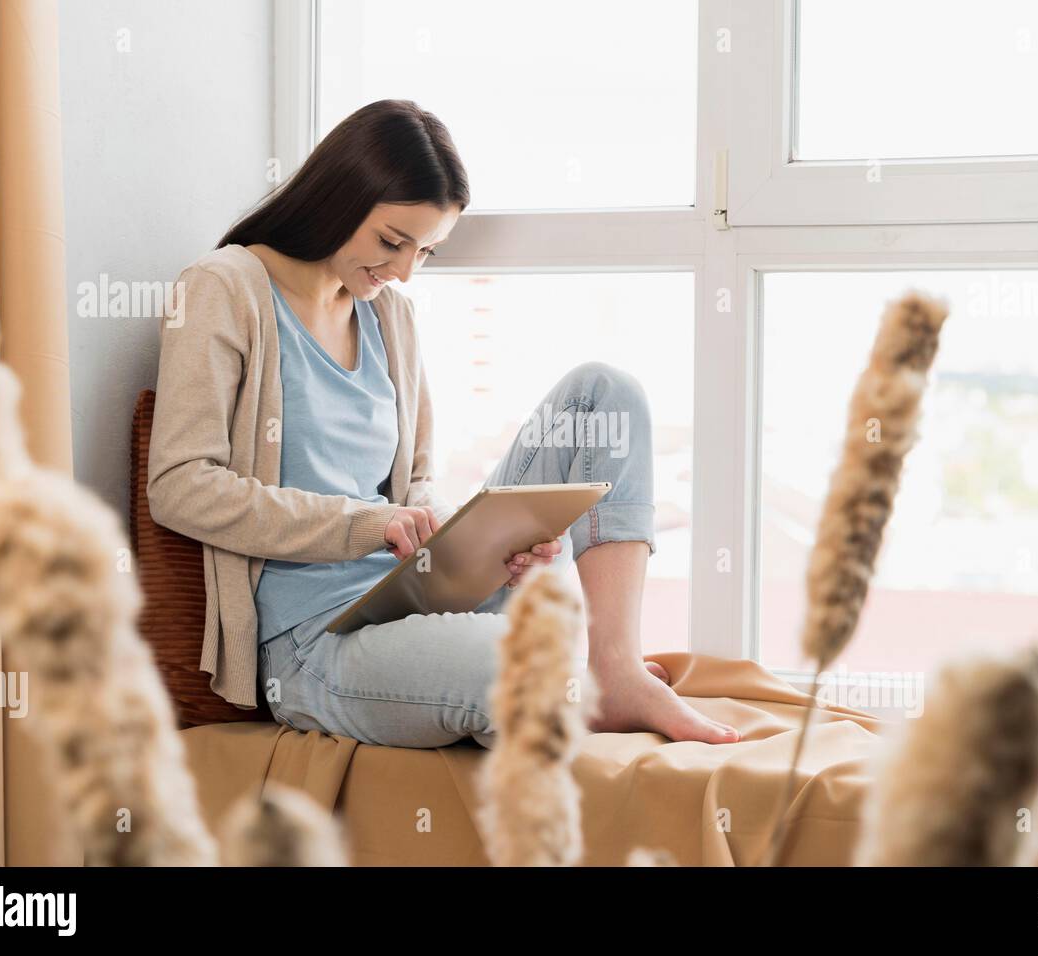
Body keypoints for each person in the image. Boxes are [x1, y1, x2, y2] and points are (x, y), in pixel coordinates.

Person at [148, 98, 741, 749]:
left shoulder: (387, 317)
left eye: (426, 252)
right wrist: (363, 525)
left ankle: (615, 665)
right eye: (391, 242)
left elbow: (416, 484)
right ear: (337, 199)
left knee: (605, 393)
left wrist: (489, 542)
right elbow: (181, 484)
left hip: (416, 593)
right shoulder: (224, 288)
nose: (403, 271)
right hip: (314, 641)